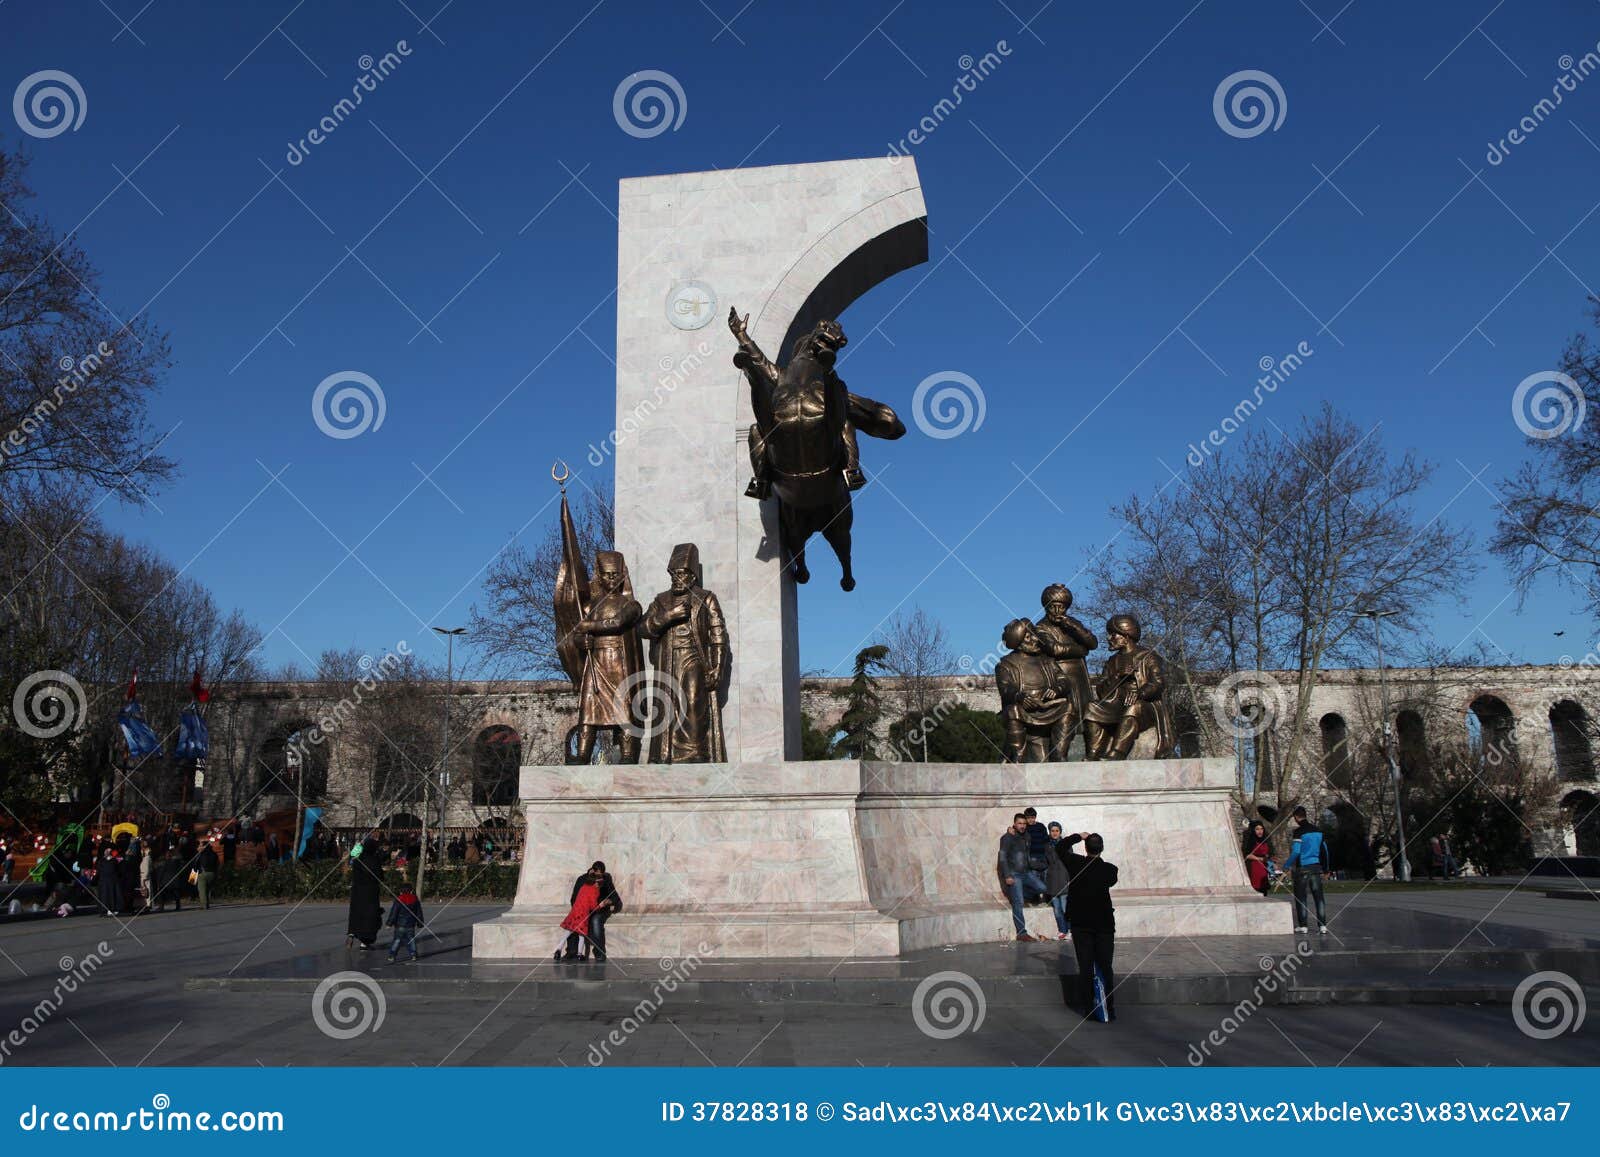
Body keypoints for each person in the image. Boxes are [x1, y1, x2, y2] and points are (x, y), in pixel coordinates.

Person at [1055, 831, 1119, 1021]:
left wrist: (1078, 836)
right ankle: (1108, 1008)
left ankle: (1089, 1008)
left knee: (1086, 966)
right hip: (1104, 924)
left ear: (1085, 847)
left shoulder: (1075, 863)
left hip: (1081, 924)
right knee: (1105, 966)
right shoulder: (1110, 870)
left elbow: (1059, 847)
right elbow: (1110, 881)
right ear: (1102, 848)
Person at [997, 813, 1047, 941]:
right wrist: (1007, 875)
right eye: (1019, 823)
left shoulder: (1027, 836)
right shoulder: (1007, 837)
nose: (1022, 826)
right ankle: (1021, 933)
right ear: (1014, 823)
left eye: (1024, 823)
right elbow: (1002, 857)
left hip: (1026, 872)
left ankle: (1017, 895)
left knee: (1042, 888)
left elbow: (1027, 854)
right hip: (1014, 874)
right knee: (1018, 903)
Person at [558, 861, 623, 961]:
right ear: (592, 871)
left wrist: (609, 901)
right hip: (584, 910)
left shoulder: (606, 879)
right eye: (597, 876)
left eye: (601, 876)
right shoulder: (582, 880)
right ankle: (572, 951)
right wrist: (582, 911)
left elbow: (615, 897)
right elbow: (574, 899)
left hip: (600, 910)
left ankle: (599, 952)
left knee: (595, 920)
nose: (599, 881)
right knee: (575, 920)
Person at [1286, 806, 1330, 934]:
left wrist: (1286, 865)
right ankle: (1322, 926)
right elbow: (1325, 851)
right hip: (1316, 866)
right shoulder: (1318, 831)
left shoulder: (1298, 832)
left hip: (1303, 867)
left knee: (1301, 897)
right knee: (1319, 897)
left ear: (1296, 817)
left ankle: (1303, 926)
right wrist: (1326, 869)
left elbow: (1296, 852)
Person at [346, 839, 386, 949]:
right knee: (370, 917)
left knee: (356, 912)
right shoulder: (374, 859)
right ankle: (365, 942)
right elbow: (379, 876)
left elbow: (353, 868)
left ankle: (352, 933)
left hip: (357, 890)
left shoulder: (358, 859)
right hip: (370, 892)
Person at [1044, 821, 1071, 939]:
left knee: (1065, 908)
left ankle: (1070, 930)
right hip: (1052, 880)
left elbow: (1071, 861)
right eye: (1052, 831)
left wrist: (1070, 878)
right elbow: (1046, 861)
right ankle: (1062, 931)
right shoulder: (1047, 845)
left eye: (1057, 831)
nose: (1054, 833)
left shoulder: (1066, 844)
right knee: (1057, 909)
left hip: (1063, 878)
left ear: (1060, 832)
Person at [385, 886, 426, 964]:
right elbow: (419, 913)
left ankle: (392, 956)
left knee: (397, 940)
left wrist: (389, 924)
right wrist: (420, 923)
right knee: (411, 939)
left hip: (400, 925)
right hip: (410, 925)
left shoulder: (399, 900)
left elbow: (394, 913)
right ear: (411, 891)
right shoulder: (415, 899)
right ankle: (413, 954)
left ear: (401, 892)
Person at [1242, 820, 1273, 896]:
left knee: (1264, 890)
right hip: (1254, 867)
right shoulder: (1250, 841)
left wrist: (1268, 857)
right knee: (1256, 888)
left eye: (1261, 829)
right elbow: (1247, 855)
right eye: (1257, 829)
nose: (1260, 831)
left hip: (1264, 868)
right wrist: (1260, 859)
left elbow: (1270, 852)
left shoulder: (1265, 840)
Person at [196, 840, 219, 909]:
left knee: (202, 890)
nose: (198, 847)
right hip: (212, 873)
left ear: (204, 846)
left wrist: (199, 853)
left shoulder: (201, 854)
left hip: (203, 873)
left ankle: (204, 904)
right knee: (208, 889)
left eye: (200, 845)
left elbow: (197, 864)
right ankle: (207, 903)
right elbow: (217, 864)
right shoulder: (214, 853)